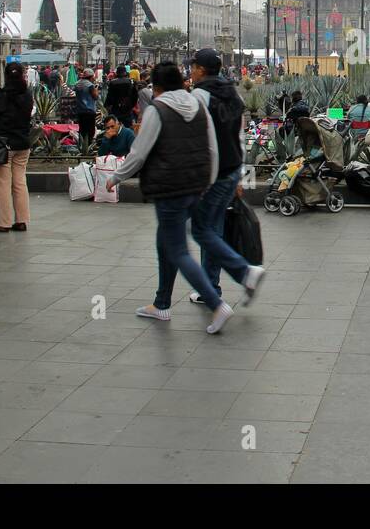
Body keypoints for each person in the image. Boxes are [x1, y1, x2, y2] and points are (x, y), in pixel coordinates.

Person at [106, 62, 257, 334]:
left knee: (178, 250)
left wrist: (116, 176)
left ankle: (216, 303)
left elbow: (139, 153)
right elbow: (212, 148)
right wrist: (209, 181)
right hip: (197, 184)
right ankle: (162, 302)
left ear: (157, 87)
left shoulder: (158, 109)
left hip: (169, 188)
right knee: (180, 237)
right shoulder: (197, 104)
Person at [183, 48, 264, 306]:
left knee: (202, 230)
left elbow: (196, 138)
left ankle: (239, 275)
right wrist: (239, 174)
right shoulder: (232, 93)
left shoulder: (199, 95)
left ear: (201, 70)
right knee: (212, 229)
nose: (190, 71)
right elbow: (240, 137)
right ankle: (212, 288)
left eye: (193, 66)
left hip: (211, 173)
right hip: (230, 170)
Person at [0, 62, 34, 233]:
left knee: (3, 183)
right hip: (23, 143)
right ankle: (22, 220)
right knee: (20, 182)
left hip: (3, 144)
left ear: (6, 76)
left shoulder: (0, 95)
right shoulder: (27, 95)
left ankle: (4, 222)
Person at [74, 70, 98, 143]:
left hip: (80, 111)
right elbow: (95, 97)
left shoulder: (77, 84)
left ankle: (82, 145)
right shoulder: (90, 85)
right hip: (89, 111)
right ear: (91, 77)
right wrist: (96, 89)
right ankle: (88, 145)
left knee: (82, 130)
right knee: (90, 131)